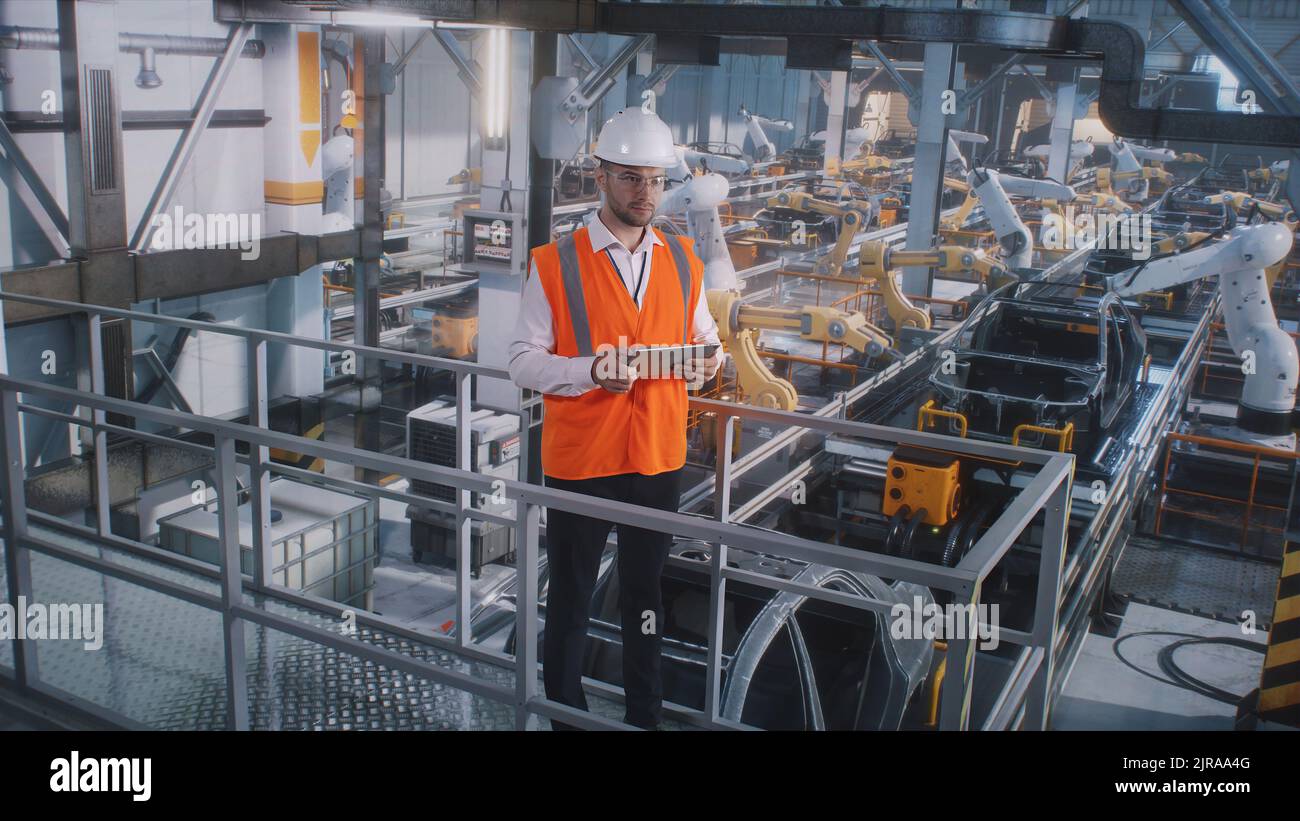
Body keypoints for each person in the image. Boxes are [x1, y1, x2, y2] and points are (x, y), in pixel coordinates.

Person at [508, 107, 724, 729]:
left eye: (655, 179)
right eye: (630, 178)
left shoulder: (685, 260)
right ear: (601, 176)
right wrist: (587, 372)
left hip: (657, 458)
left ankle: (645, 716)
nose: (645, 193)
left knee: (644, 600)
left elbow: (705, 339)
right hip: (583, 462)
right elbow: (521, 362)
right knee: (572, 598)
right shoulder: (555, 263)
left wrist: (707, 364)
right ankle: (565, 720)